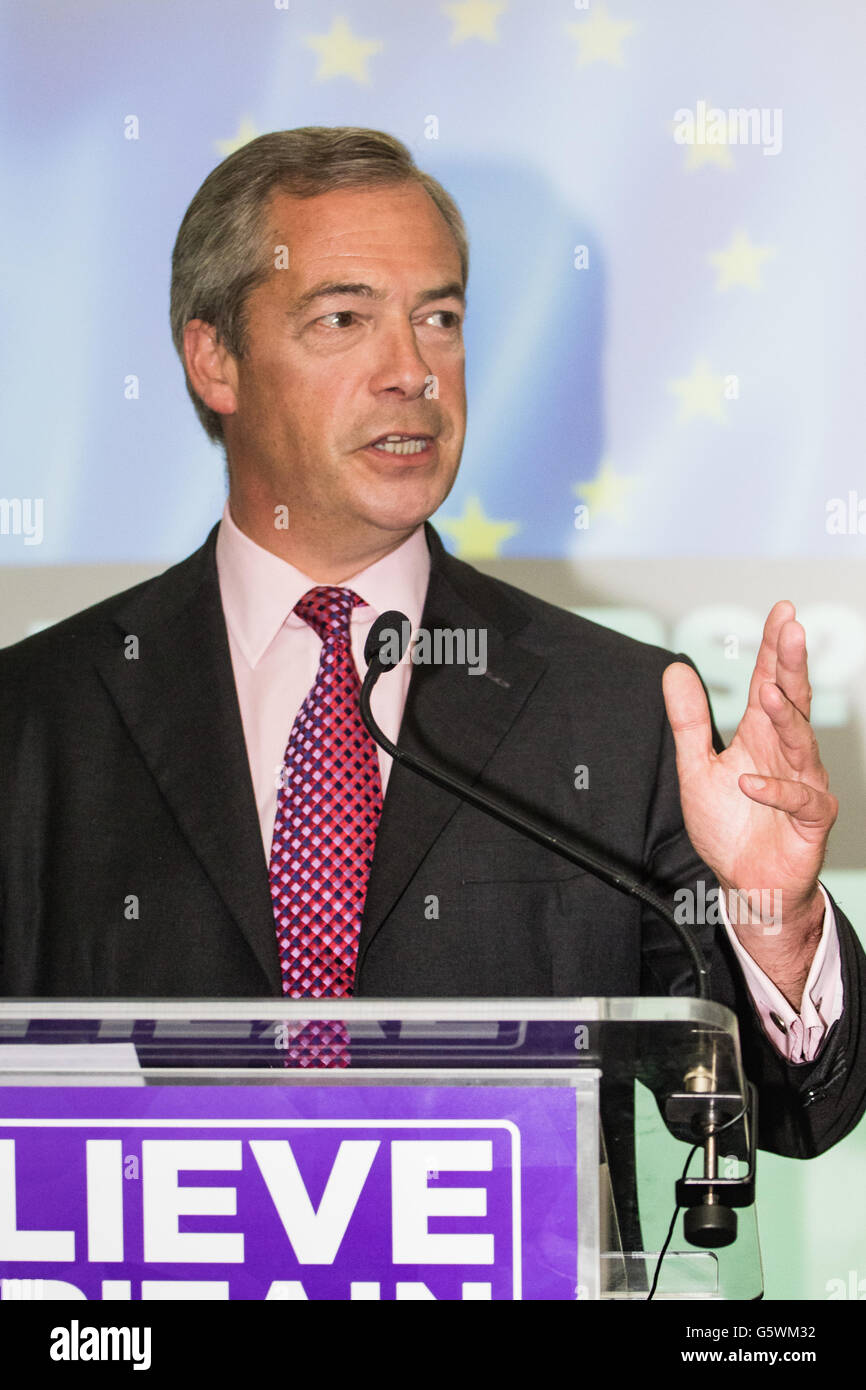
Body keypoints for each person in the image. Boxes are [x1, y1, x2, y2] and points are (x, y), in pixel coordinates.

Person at [1, 129, 863, 1171]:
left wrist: (774, 923)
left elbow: (776, 1113)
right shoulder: (37, 721)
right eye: (343, 317)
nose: (411, 372)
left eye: (438, 319)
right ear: (213, 358)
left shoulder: (616, 713)